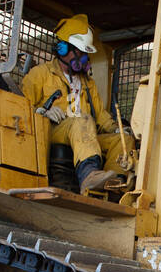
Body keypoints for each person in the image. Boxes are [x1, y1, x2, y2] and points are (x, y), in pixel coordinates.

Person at [20, 14, 133, 194]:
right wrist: (41, 112)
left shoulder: (88, 83)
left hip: (84, 135)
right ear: (63, 49)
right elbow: (19, 108)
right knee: (82, 119)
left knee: (123, 140)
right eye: (80, 53)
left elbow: (101, 117)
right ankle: (89, 174)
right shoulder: (39, 74)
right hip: (53, 131)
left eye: (85, 54)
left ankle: (115, 185)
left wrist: (116, 129)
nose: (84, 59)